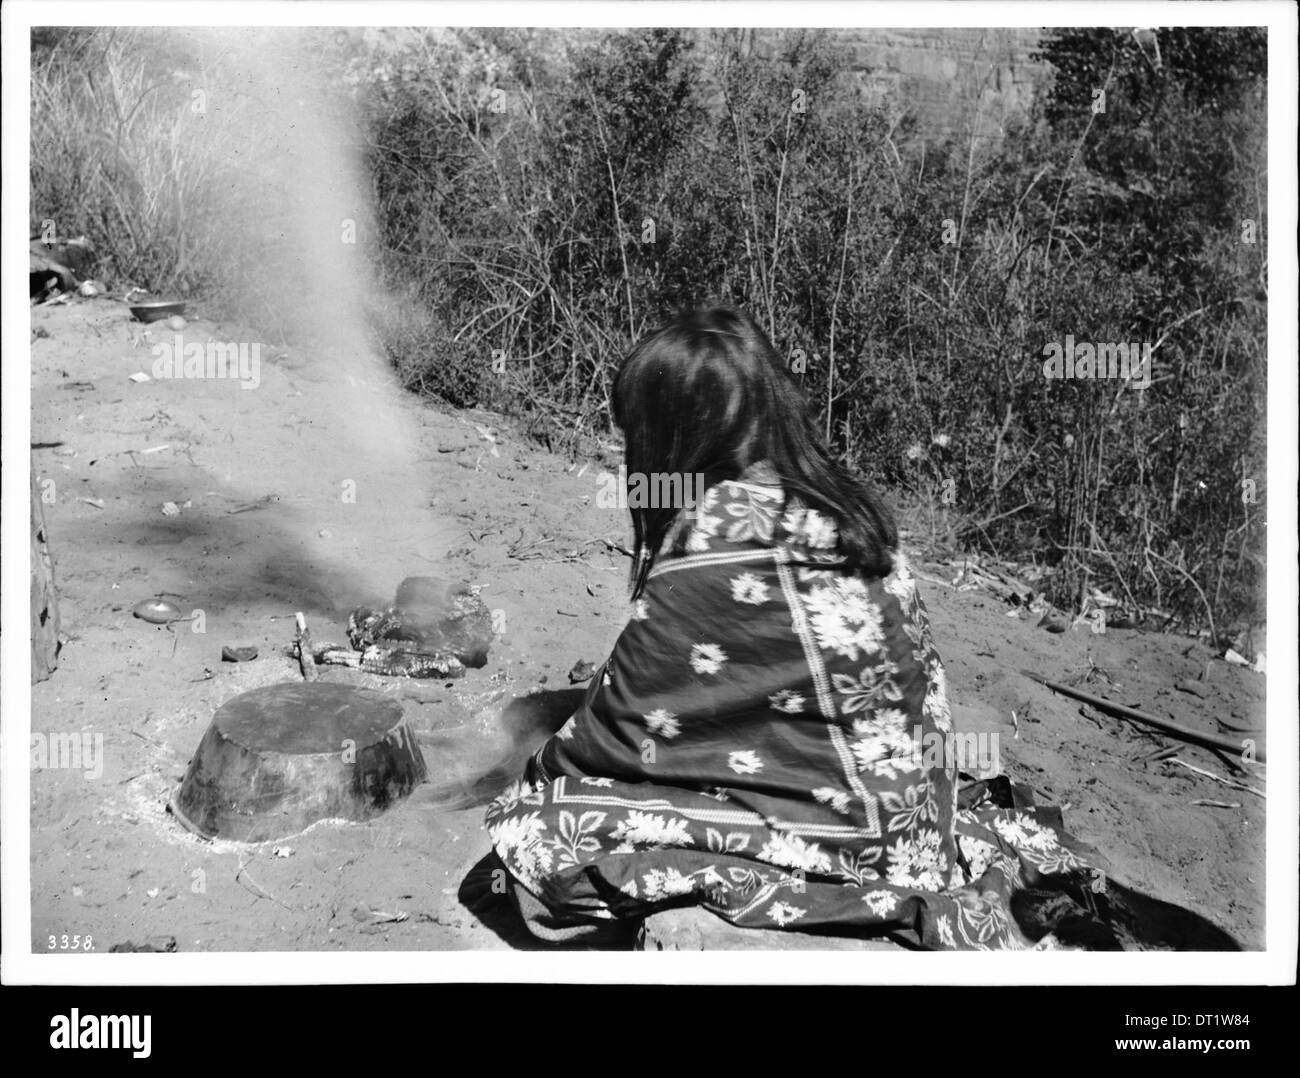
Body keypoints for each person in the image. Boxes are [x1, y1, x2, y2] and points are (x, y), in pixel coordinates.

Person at [484, 306, 1239, 951]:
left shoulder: (717, 527)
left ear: (676, 434)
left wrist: (545, 759)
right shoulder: (846, 506)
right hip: (920, 830)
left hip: (847, 848)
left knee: (538, 830)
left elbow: (623, 724)